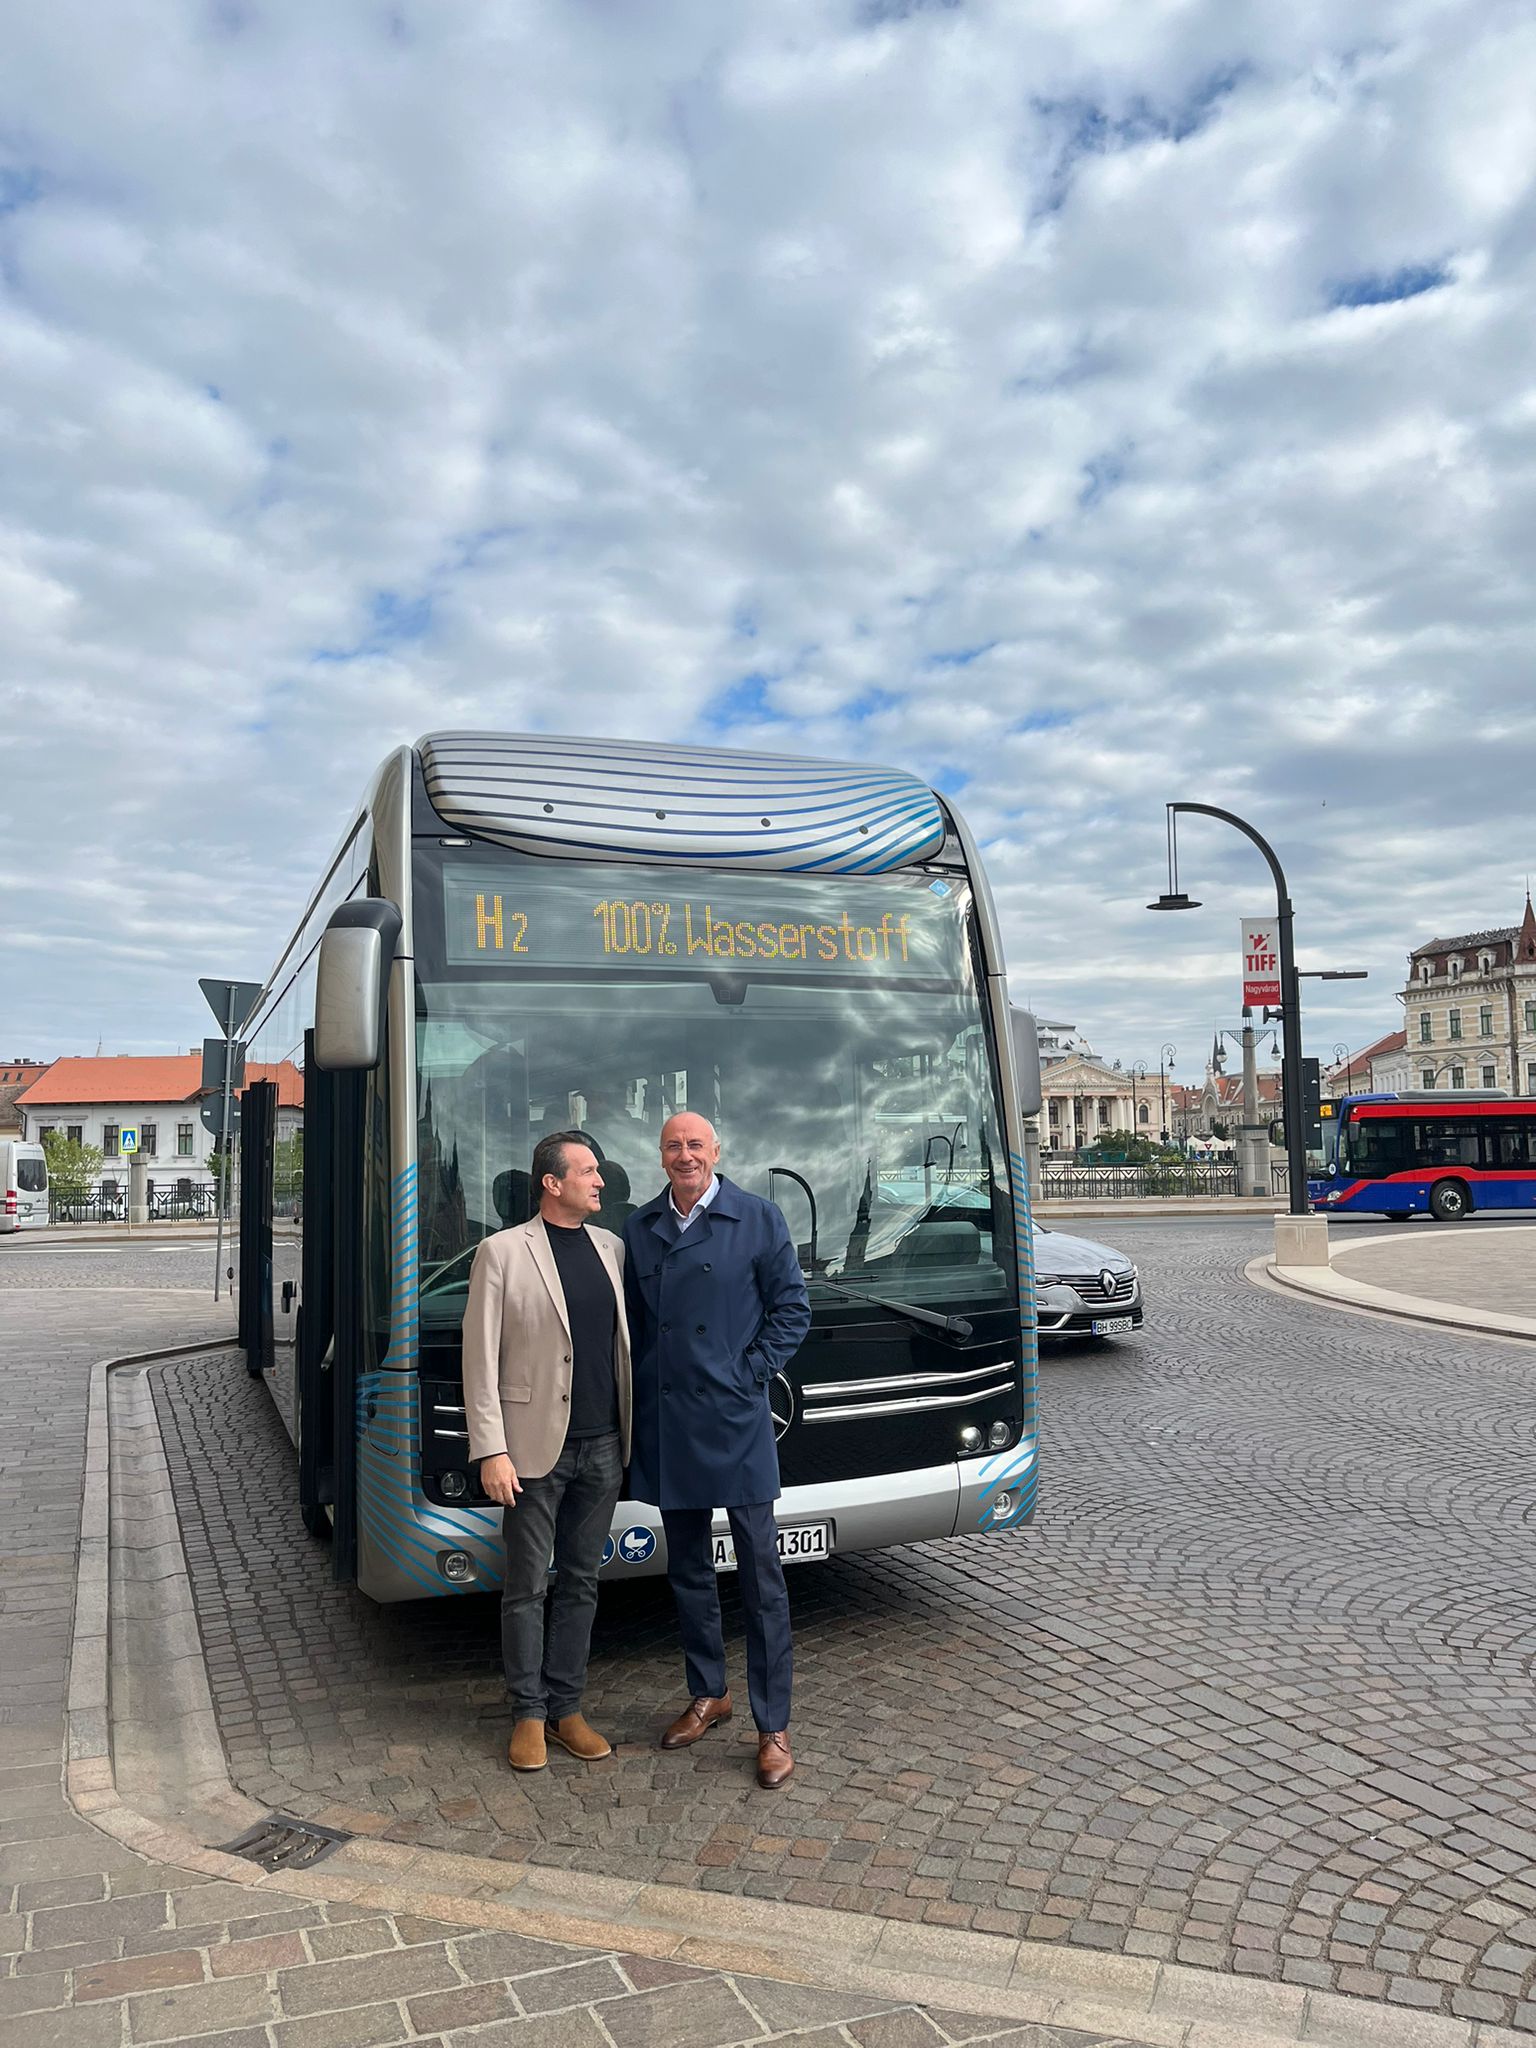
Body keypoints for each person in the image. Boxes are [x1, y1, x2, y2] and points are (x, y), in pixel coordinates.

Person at [622, 1113, 811, 1789]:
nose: (684, 1155)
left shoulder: (757, 1218)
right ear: (662, 1155)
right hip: (671, 1422)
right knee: (690, 1574)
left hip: (735, 1420)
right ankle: (709, 1692)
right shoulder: (640, 1229)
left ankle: (774, 1727)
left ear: (716, 1153)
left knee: (762, 1580)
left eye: (695, 1145)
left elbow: (793, 1309)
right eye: (674, 1146)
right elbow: (638, 1329)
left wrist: (748, 1371)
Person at [462, 1133, 631, 1773]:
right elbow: (478, 1359)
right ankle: (528, 1714)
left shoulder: (610, 1248)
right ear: (551, 1183)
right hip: (530, 1451)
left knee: (583, 1583)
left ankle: (567, 1710)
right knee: (527, 1586)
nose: (601, 1182)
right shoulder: (501, 1252)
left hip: (603, 1447)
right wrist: (491, 1450)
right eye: (588, 1172)